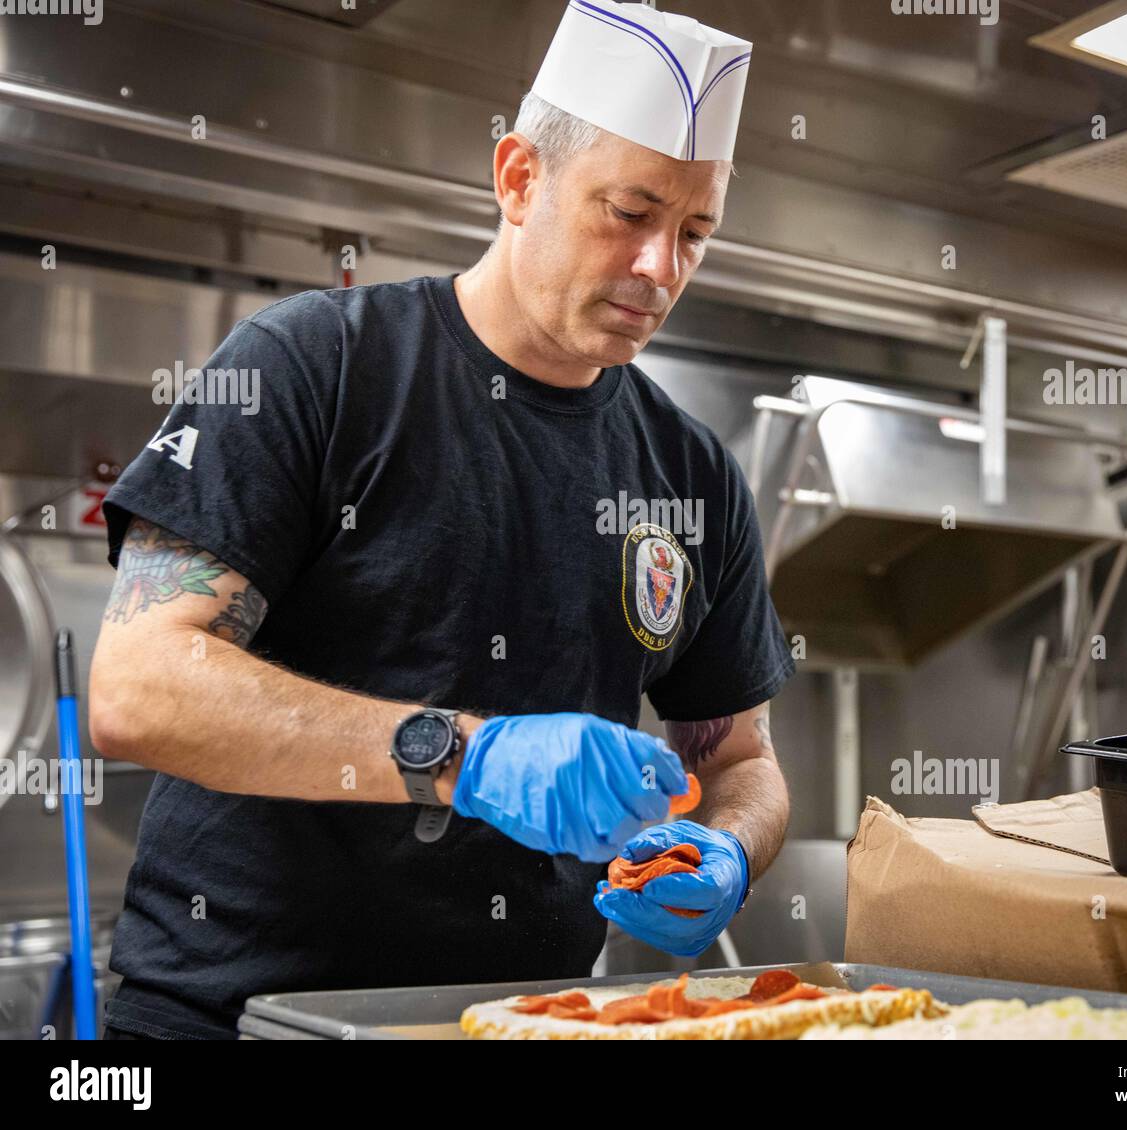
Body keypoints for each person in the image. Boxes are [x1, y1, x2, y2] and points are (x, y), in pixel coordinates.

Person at [91, 1, 792, 1040]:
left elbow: (740, 759)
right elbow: (138, 687)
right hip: (233, 1017)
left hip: (522, 1023)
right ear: (518, 177)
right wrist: (464, 753)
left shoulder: (690, 474)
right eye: (628, 212)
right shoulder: (312, 368)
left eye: (693, 231)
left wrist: (725, 850)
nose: (661, 268)